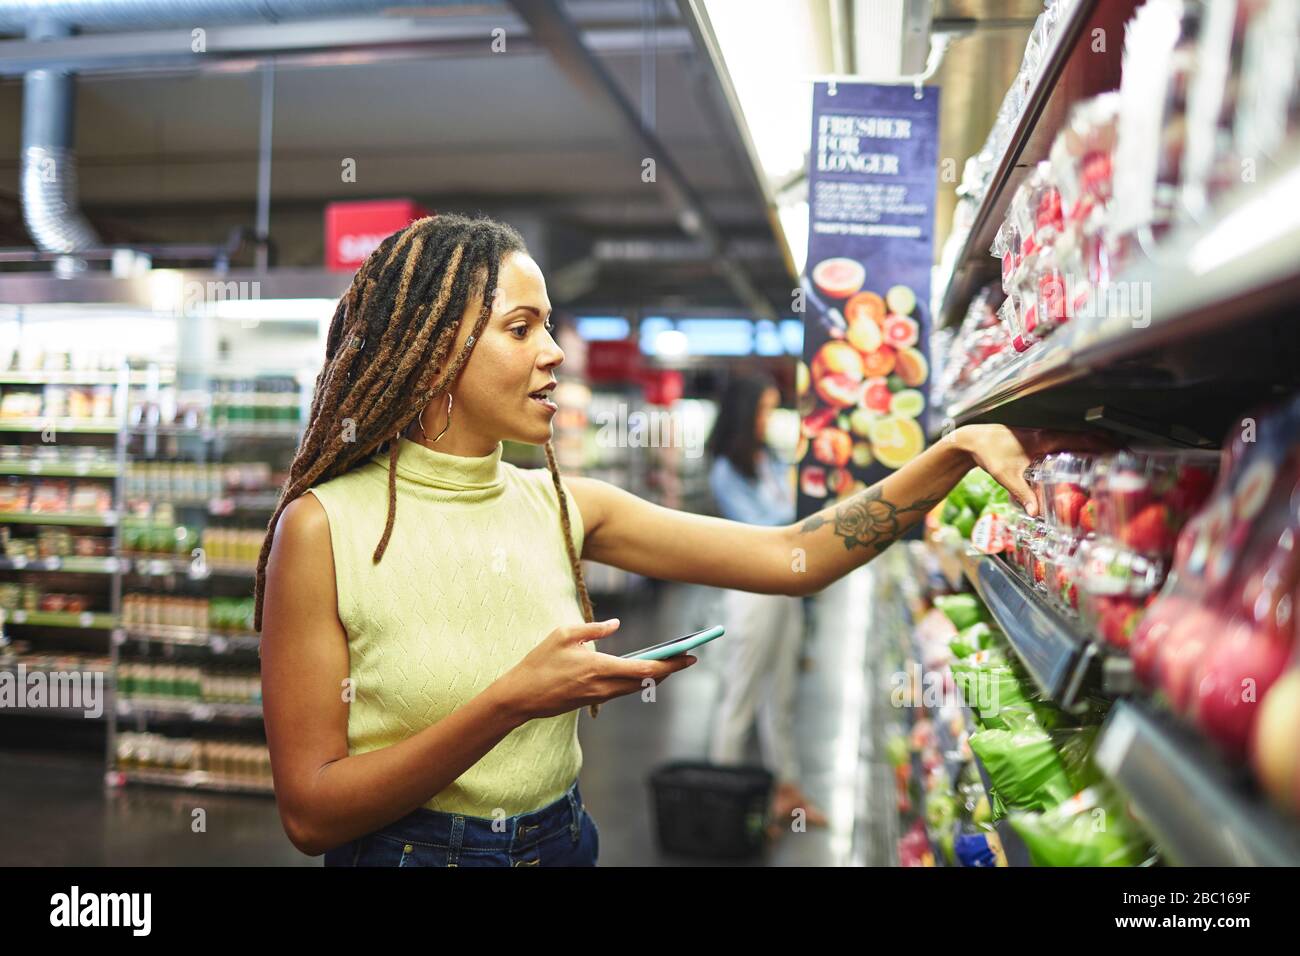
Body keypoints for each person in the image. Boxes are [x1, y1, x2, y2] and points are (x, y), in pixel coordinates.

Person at [255, 212, 1090, 867]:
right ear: (436, 351)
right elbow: (313, 812)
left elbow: (793, 558)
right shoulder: (324, 528)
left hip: (564, 843)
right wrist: (511, 701)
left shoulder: (564, 504)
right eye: (520, 329)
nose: (553, 353)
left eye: (550, 324)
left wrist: (949, 455)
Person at [706, 374, 825, 830]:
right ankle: (724, 805)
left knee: (782, 697)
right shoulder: (726, 469)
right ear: (744, 412)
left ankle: (786, 793)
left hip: (784, 588)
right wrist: (806, 503)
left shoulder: (769, 459)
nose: (769, 419)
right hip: (751, 589)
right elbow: (761, 527)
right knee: (741, 695)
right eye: (763, 409)